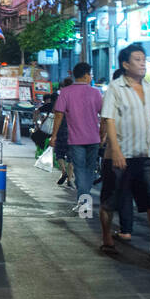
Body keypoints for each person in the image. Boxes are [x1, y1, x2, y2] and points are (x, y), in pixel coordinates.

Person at [99, 43, 150, 253]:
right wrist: (114, 150)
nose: (143, 64)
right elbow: (109, 119)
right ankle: (107, 238)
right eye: (137, 60)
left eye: (144, 59)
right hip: (120, 155)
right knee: (110, 200)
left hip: (146, 155)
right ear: (125, 64)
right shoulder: (115, 88)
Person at [48, 63, 102, 211]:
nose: (91, 77)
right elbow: (104, 115)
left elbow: (58, 114)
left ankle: (83, 202)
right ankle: (84, 200)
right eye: (90, 74)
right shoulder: (96, 93)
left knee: (79, 170)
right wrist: (103, 135)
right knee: (89, 171)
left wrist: (54, 136)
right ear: (85, 75)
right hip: (94, 139)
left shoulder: (65, 92)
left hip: (76, 139)